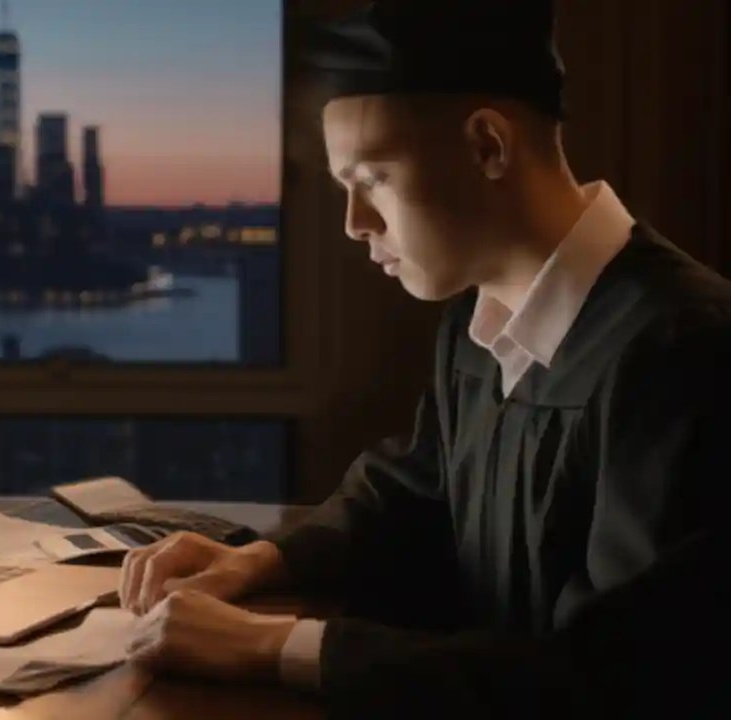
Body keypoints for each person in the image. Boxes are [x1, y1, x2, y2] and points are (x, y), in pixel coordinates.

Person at [119, 2, 729, 717]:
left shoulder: (686, 353)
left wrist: (271, 646)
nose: (354, 222)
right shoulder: (477, 325)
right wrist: (256, 560)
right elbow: (416, 495)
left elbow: (613, 677)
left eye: (372, 178)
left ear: (488, 147)